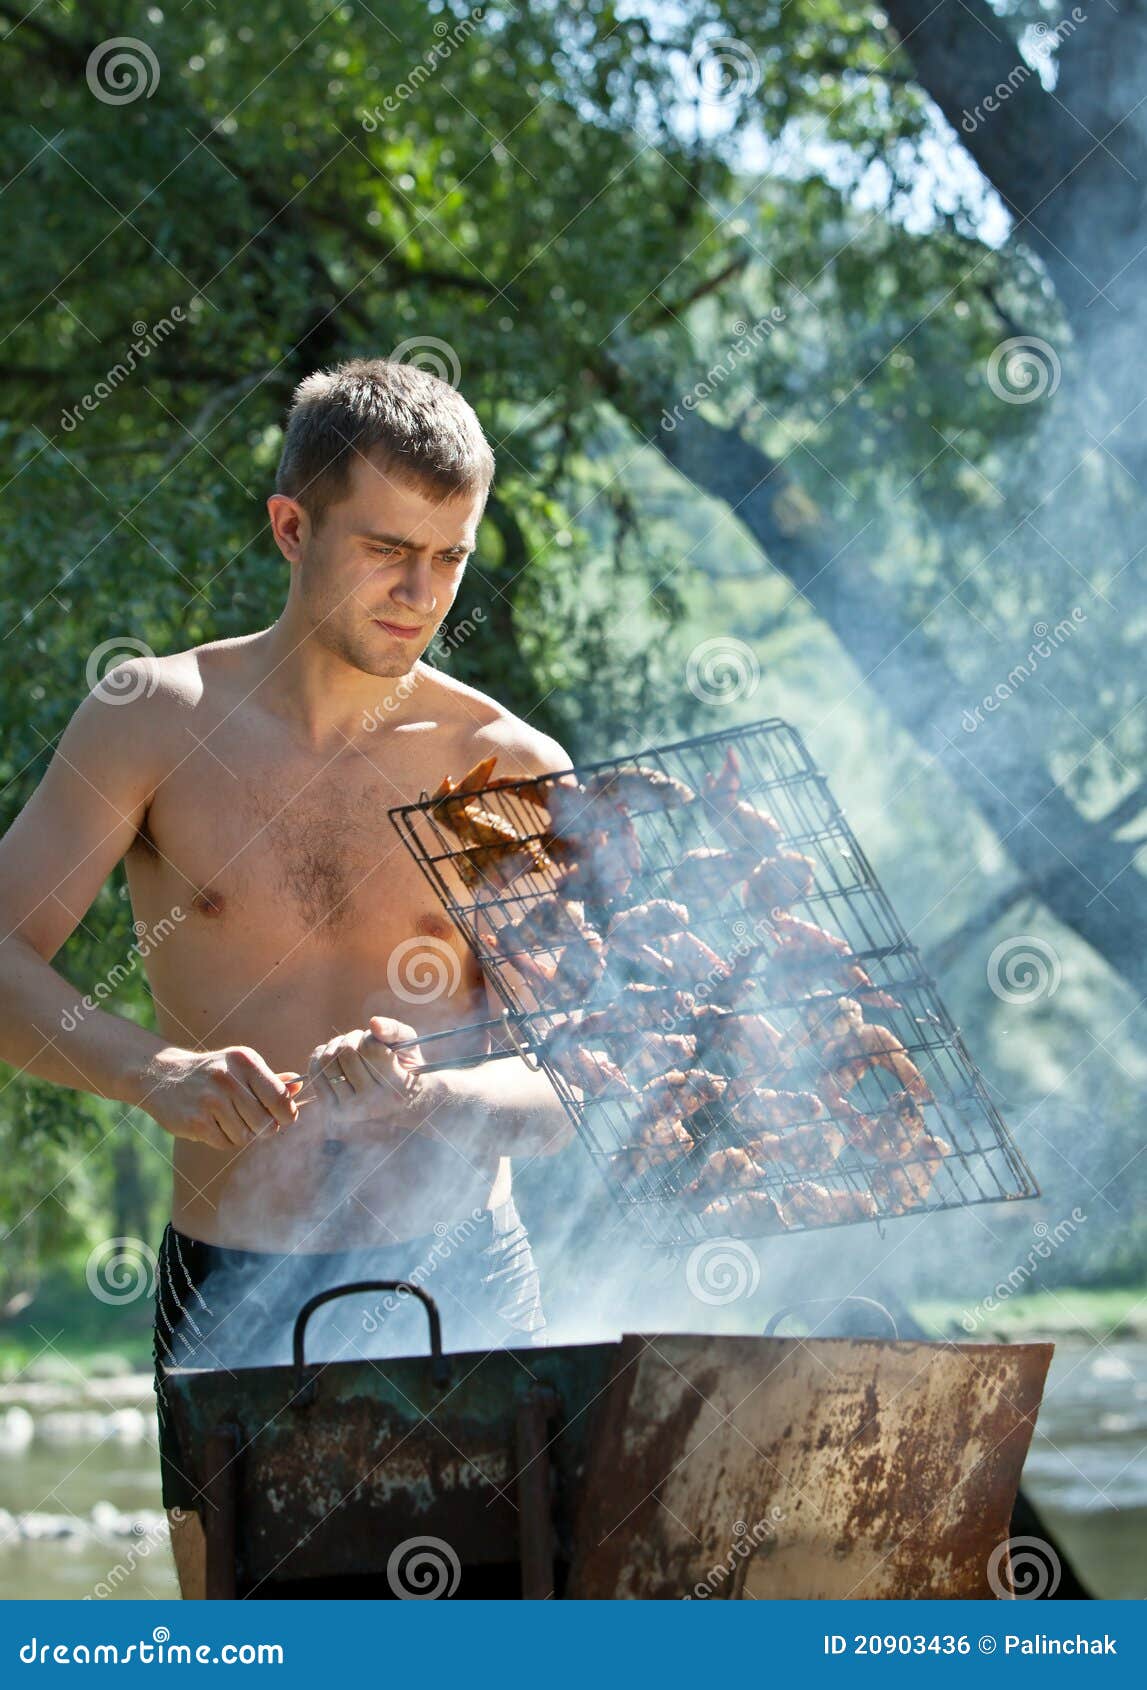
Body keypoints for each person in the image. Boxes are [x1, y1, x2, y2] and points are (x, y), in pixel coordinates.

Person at [0, 357, 575, 1597]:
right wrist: (154, 1073)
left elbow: (582, 1077)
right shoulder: (153, 717)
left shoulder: (500, 765)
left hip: (462, 1277)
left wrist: (446, 1099)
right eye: (388, 550)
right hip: (231, 1282)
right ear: (290, 525)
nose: (422, 593)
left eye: (450, 557)